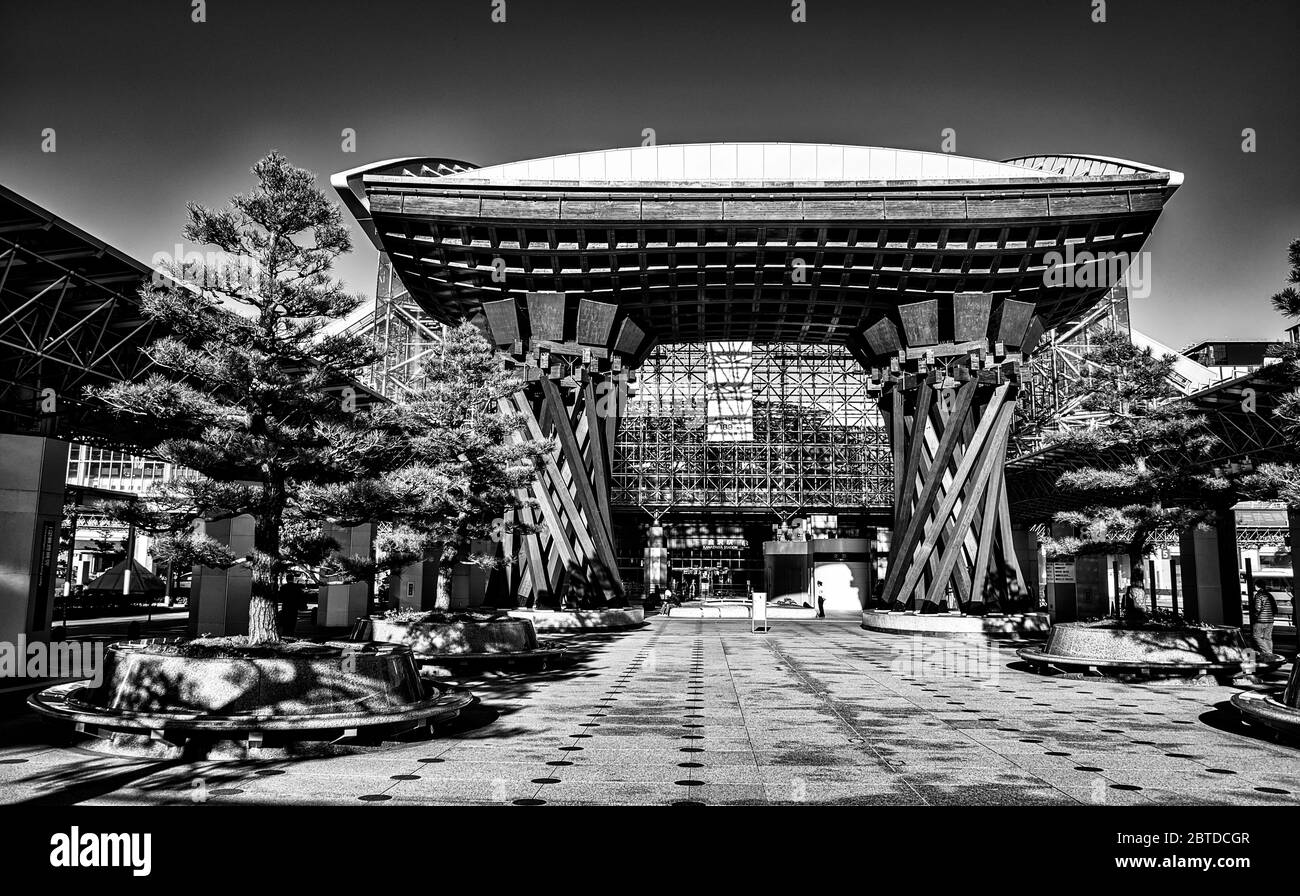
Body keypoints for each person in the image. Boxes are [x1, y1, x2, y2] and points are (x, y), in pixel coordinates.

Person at [1251, 586, 1277, 660]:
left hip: (1261, 620)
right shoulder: (1269, 595)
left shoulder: (1259, 595)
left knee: (1256, 636)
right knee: (1268, 638)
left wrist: (1254, 617)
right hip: (1270, 620)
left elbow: (1258, 608)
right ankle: (1270, 654)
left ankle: (1268, 653)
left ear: (1257, 586)